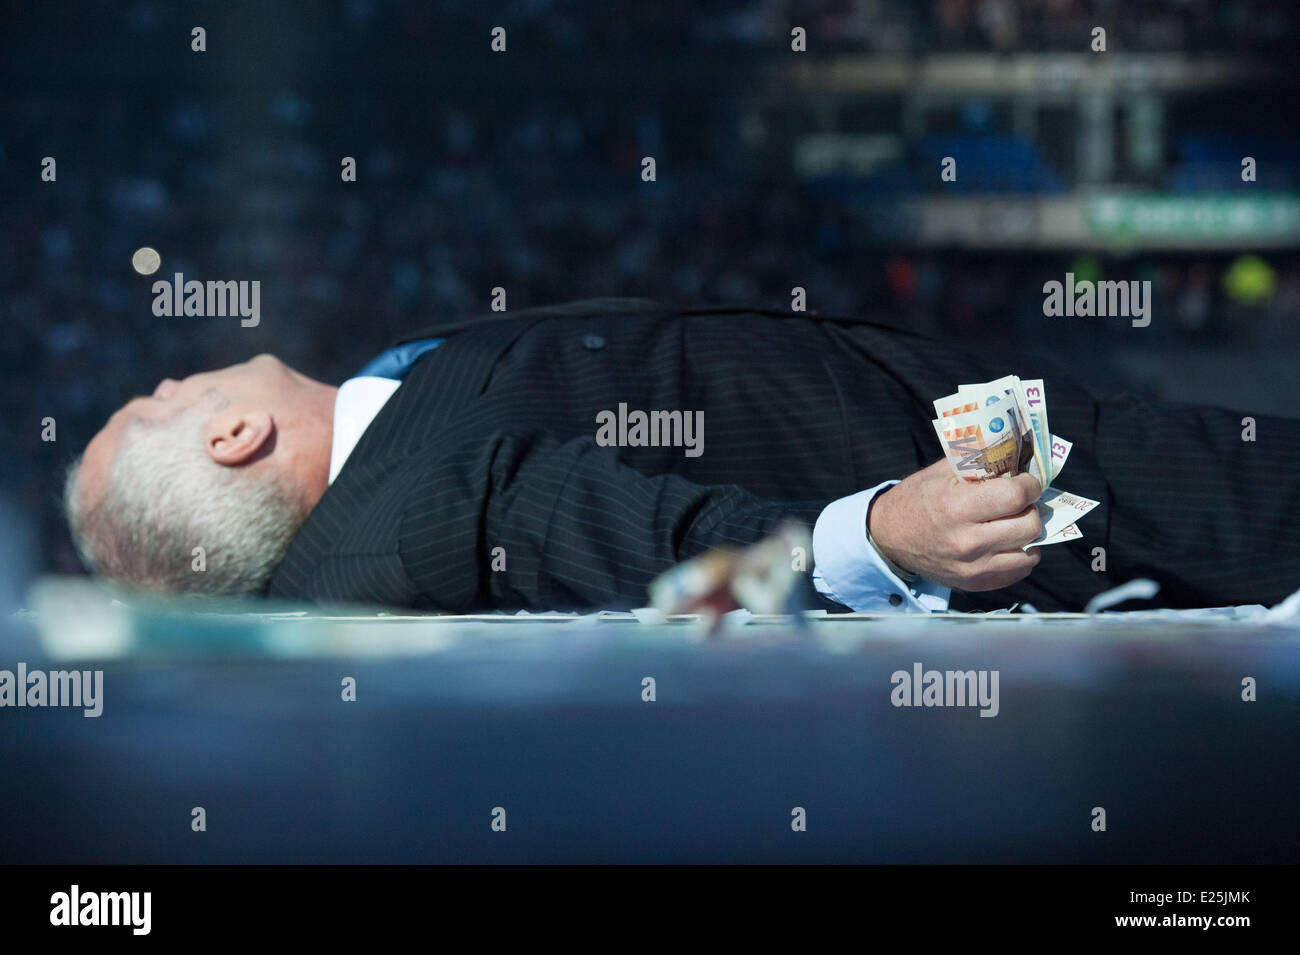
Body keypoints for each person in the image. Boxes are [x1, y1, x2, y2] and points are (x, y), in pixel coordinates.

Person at [63, 297, 1300, 613]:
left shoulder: (388, 411)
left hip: (931, 397)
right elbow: (605, 537)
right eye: (155, 400)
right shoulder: (399, 520)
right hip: (999, 495)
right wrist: (869, 540)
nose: (172, 375)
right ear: (232, 438)